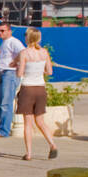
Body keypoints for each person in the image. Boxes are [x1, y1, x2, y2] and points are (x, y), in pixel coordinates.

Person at [15, 28, 58, 160]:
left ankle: (29, 153)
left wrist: (17, 66)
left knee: (28, 122)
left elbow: (20, 73)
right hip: (40, 88)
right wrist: (39, 71)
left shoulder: (24, 53)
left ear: (28, 38)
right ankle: (52, 145)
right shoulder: (44, 52)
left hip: (28, 88)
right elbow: (50, 71)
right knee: (40, 121)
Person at [0, 21, 25, 137]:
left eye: (3, 30)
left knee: (6, 103)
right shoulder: (4, 43)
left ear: (9, 31)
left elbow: (23, 52)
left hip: (9, 73)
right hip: (1, 73)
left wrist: (15, 62)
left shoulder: (13, 42)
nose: (0, 33)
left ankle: (3, 130)